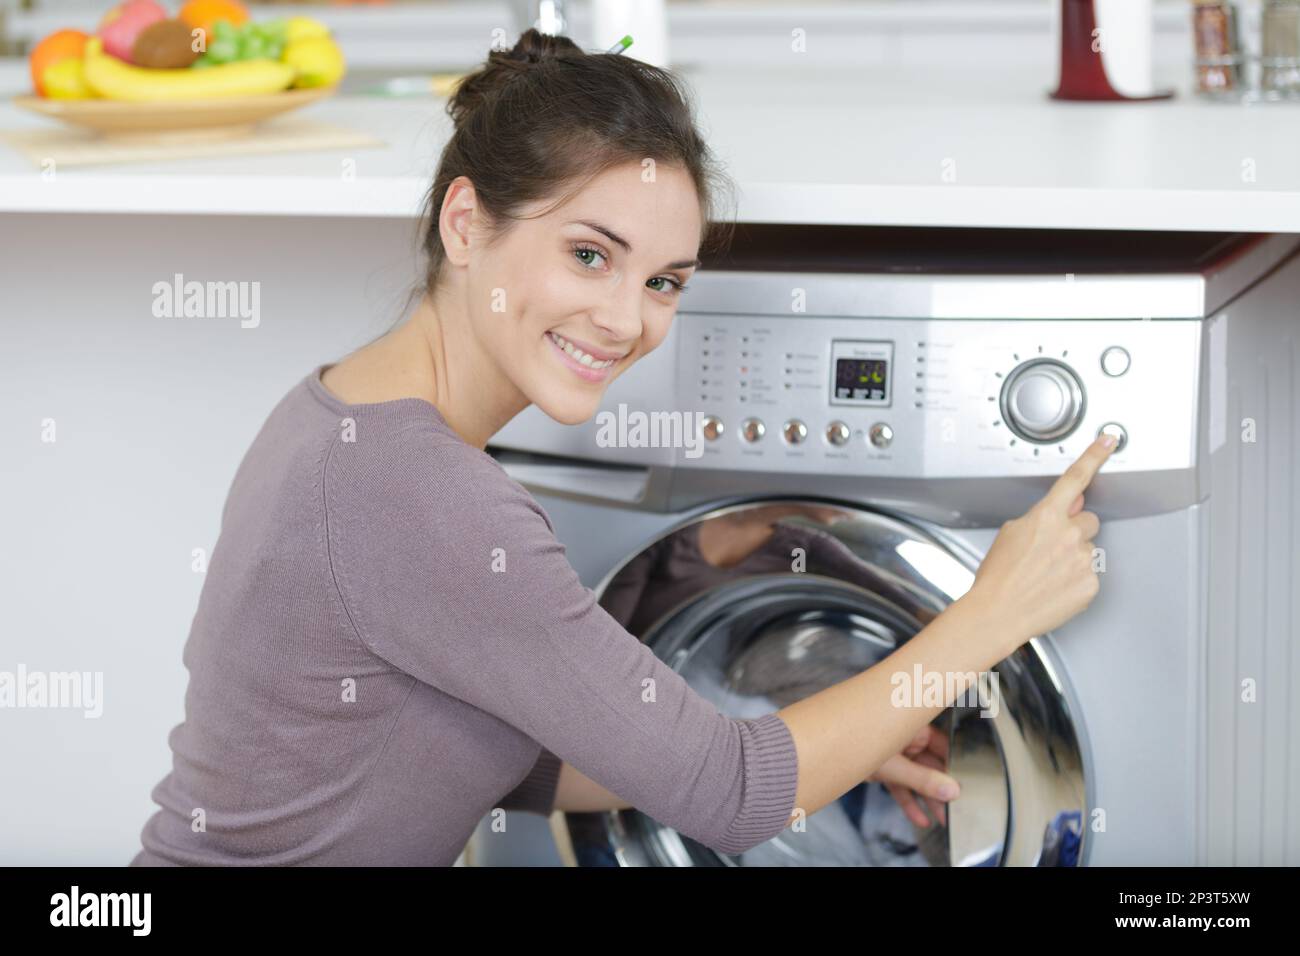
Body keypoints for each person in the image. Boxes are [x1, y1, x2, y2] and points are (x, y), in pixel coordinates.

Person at [130, 28, 1116, 866]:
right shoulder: (424, 489)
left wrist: (846, 740)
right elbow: (731, 795)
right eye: (589, 254)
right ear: (466, 223)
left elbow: (462, 747)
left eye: (663, 281)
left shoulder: (339, 412)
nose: (624, 319)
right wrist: (995, 611)